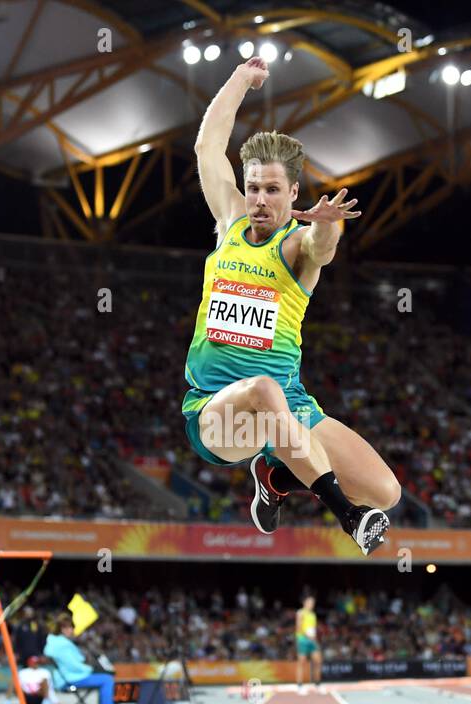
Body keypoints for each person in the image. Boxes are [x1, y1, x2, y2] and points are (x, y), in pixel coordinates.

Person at [184, 56, 401, 556]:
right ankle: (348, 516)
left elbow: (323, 247)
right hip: (219, 415)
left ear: (294, 193)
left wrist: (326, 223)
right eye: (254, 187)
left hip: (289, 408)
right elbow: (207, 145)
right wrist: (242, 79)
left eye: (272, 190)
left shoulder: (298, 247)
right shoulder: (230, 223)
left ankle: (276, 475)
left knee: (386, 492)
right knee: (261, 390)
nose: (259, 199)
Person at [43, 613, 123, 704]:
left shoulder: (54, 643)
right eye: (69, 627)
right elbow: (74, 666)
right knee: (107, 679)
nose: (71, 630)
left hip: (67, 677)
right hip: (71, 680)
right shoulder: (63, 645)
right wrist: (90, 670)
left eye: (71, 627)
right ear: (62, 629)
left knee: (104, 678)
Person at [294, 595, 322, 693]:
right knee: (301, 663)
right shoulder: (300, 613)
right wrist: (307, 635)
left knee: (318, 661)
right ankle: (299, 686)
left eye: (313, 603)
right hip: (302, 640)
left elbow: (313, 629)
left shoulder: (313, 615)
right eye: (310, 602)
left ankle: (317, 685)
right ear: (305, 603)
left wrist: (315, 640)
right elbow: (299, 627)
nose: (311, 605)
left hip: (312, 640)